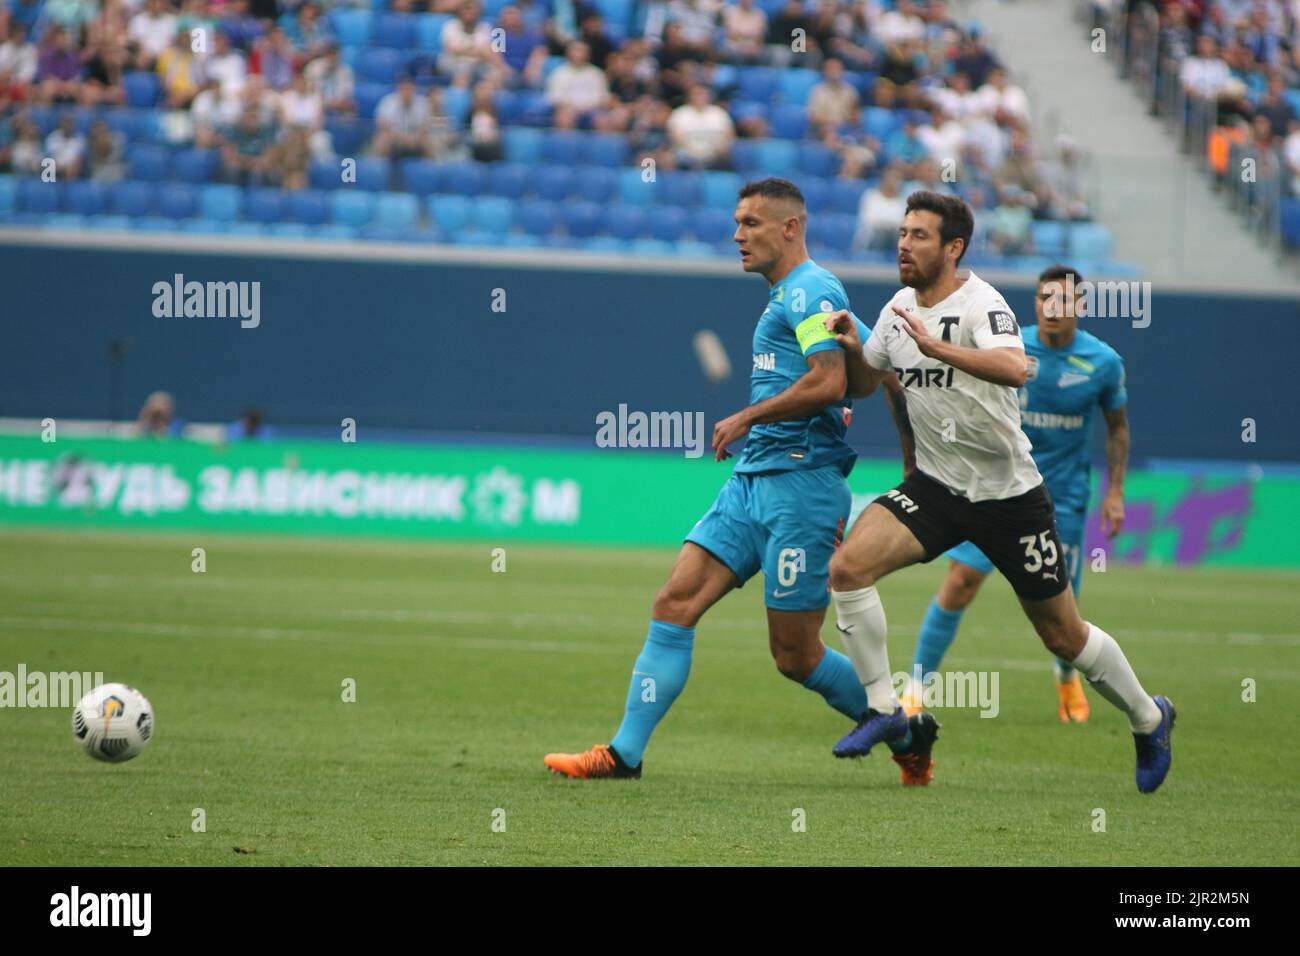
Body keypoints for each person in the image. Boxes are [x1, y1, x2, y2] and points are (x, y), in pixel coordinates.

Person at [543, 178, 933, 783]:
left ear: (790, 227)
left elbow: (828, 382)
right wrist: (908, 454)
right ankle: (624, 755)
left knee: (795, 656)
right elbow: (875, 370)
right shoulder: (796, 296)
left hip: (802, 489)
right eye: (737, 222)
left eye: (750, 223)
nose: (737, 235)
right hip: (754, 481)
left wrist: (746, 416)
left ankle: (906, 732)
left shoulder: (811, 289)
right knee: (674, 602)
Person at [820, 191, 1174, 793]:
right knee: (849, 568)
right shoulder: (897, 307)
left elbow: (1014, 367)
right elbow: (863, 384)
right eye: (902, 232)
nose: (904, 243)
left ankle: (1149, 716)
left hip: (1010, 498)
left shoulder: (985, 304)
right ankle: (885, 708)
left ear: (953, 248)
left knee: (1063, 633)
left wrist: (935, 348)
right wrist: (854, 348)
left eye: (919, 235)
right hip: (937, 487)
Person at [901, 264, 1130, 723]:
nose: (1052, 308)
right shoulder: (1007, 347)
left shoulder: (1103, 363)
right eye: (1045, 298)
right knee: (959, 582)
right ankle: (915, 690)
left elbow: (1117, 428)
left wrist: (1115, 492)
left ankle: (1066, 678)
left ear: (1081, 307)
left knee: (1062, 609)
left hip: (1059, 500)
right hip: (991, 490)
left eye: (1063, 300)